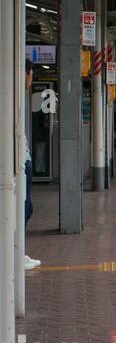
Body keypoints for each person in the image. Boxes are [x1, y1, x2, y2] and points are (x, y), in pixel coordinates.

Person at [23, 62, 39, 270]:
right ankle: (16, 254)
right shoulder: (11, 94)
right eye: (31, 75)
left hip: (22, 160)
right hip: (16, 163)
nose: (31, 80)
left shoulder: (18, 96)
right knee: (22, 209)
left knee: (27, 209)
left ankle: (19, 252)